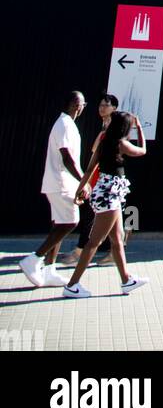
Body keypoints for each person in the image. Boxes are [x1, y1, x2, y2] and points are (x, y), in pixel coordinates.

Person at [62, 111, 148, 299]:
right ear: (126, 128)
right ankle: (72, 284)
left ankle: (126, 280)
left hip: (105, 191)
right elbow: (142, 151)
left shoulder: (103, 141)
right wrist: (140, 128)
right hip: (111, 195)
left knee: (117, 239)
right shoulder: (121, 144)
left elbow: (90, 168)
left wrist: (80, 188)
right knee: (94, 241)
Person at [20, 92, 87, 288]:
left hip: (60, 182)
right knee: (70, 222)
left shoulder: (65, 123)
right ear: (76, 104)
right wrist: (84, 181)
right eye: (83, 103)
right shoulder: (65, 124)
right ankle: (34, 259)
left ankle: (49, 270)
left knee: (59, 223)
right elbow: (67, 158)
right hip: (61, 183)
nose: (83, 107)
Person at [59, 93, 119, 267]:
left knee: (93, 214)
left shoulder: (114, 125)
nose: (102, 108)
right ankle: (113, 253)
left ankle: (81, 252)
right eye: (100, 104)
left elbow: (100, 151)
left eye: (106, 105)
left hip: (104, 175)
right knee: (105, 216)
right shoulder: (105, 125)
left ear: (114, 108)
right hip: (99, 174)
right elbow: (95, 150)